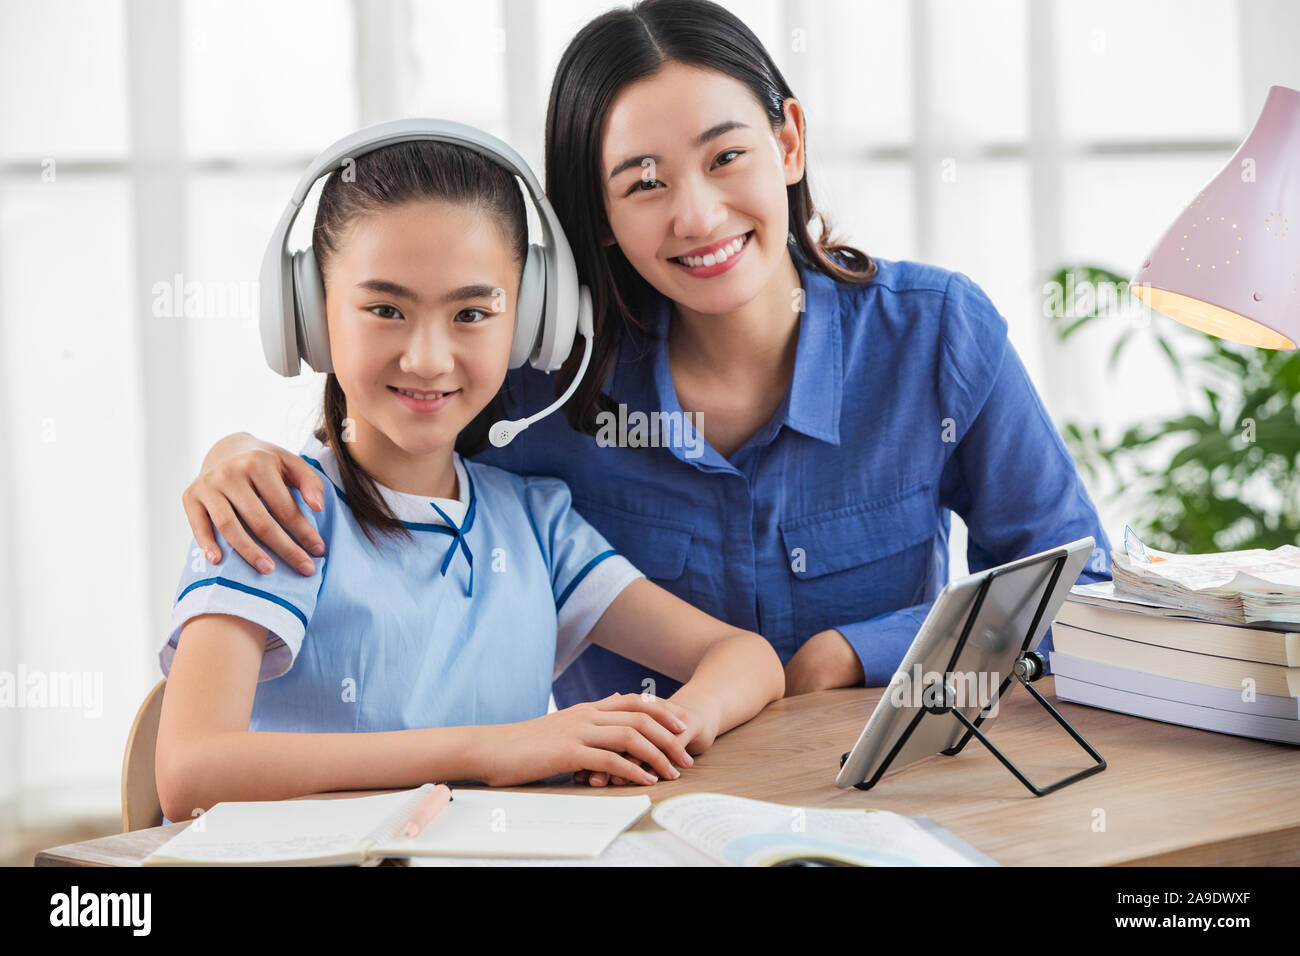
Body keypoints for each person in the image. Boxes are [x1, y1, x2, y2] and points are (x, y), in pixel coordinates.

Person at [178, 0, 1111, 789]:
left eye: (726, 157)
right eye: (644, 182)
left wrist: (849, 653)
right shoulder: (539, 387)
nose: (697, 214)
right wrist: (233, 453)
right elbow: (388, 436)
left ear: (788, 141)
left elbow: (1077, 592)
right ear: (600, 216)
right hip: (630, 825)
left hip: (894, 797)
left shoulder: (934, 333)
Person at [154, 134, 785, 824]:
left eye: (473, 314)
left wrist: (673, 725)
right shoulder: (274, 508)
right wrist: (492, 750)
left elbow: (745, 657)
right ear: (309, 314)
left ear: (529, 325)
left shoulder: (534, 525)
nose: (427, 358)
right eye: (386, 309)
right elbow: (191, 772)